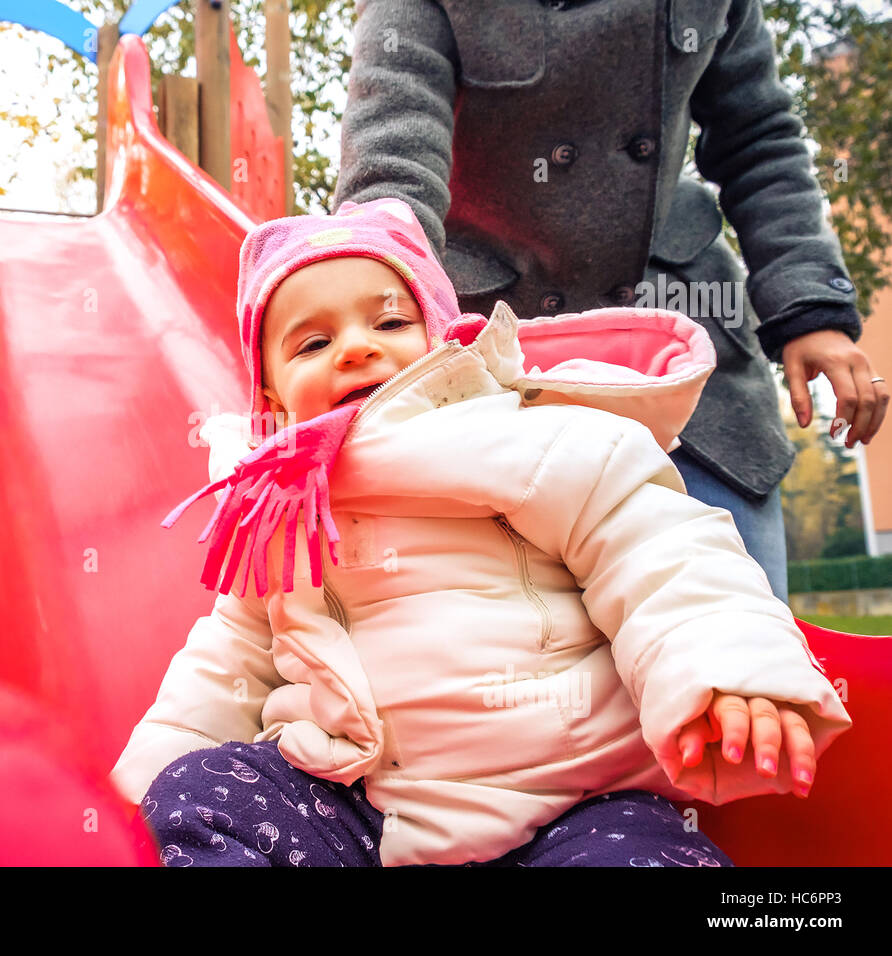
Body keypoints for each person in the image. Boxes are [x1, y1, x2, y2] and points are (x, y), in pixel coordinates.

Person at [107, 198, 852, 867]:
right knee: (202, 791)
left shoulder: (530, 439)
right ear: (269, 391)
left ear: (441, 340)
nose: (357, 348)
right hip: (354, 811)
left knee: (640, 857)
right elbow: (229, 657)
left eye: (390, 320)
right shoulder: (276, 499)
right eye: (312, 343)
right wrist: (138, 791)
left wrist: (726, 671)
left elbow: (659, 551)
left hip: (566, 805)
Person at [330, 0, 890, 602]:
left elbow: (759, 140)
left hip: (685, 355)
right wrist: (368, 315)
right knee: (520, 648)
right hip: (499, 364)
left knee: (740, 616)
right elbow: (392, 159)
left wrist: (809, 306)